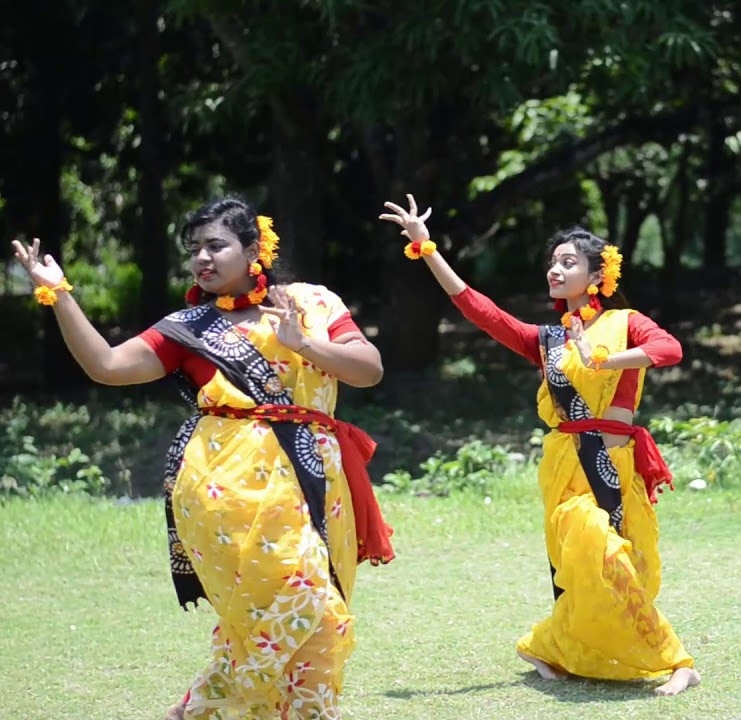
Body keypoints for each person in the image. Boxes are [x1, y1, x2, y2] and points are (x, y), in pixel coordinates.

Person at [12, 196, 394, 720]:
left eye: (216, 245)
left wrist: (303, 343)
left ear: (254, 250)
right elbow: (107, 366)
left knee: (311, 618)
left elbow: (368, 369)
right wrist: (57, 294)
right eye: (194, 249)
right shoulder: (189, 327)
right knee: (305, 598)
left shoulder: (313, 303)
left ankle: (204, 709)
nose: (202, 258)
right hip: (225, 485)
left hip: (315, 480)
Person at [379, 194, 700, 696]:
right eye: (553, 262)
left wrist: (606, 361)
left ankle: (548, 646)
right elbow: (479, 309)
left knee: (626, 566)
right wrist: (428, 249)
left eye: (568, 262)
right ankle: (676, 661)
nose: (555, 269)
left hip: (616, 463)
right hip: (564, 467)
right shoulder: (547, 340)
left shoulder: (626, 324)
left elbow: (670, 349)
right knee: (594, 553)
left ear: (596, 276)